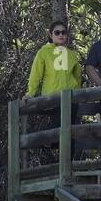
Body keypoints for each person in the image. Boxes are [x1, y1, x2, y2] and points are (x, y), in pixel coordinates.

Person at [25, 21, 82, 153]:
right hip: (52, 96)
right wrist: (31, 93)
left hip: (71, 97)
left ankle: (70, 164)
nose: (61, 35)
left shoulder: (71, 55)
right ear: (51, 35)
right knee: (61, 122)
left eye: (64, 32)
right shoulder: (44, 52)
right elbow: (36, 74)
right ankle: (49, 141)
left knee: (70, 130)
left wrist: (77, 93)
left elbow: (77, 76)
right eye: (57, 32)